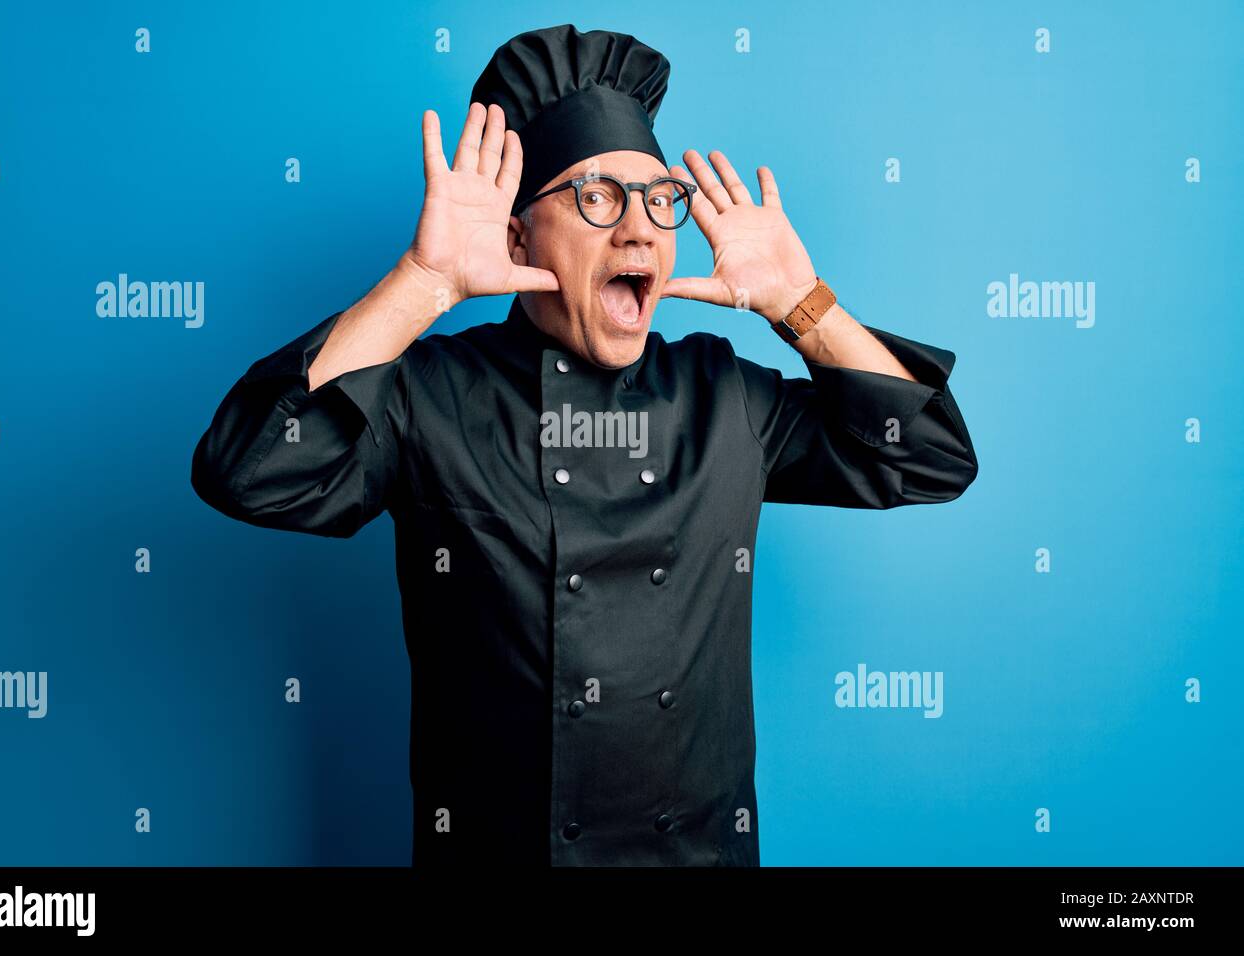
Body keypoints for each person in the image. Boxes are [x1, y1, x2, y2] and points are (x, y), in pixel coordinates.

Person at [190, 24, 979, 866]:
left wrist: (801, 303)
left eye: (657, 198)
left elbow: (927, 455)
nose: (639, 229)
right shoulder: (432, 396)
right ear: (517, 236)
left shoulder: (726, 398)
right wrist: (422, 286)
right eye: (597, 196)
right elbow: (249, 472)